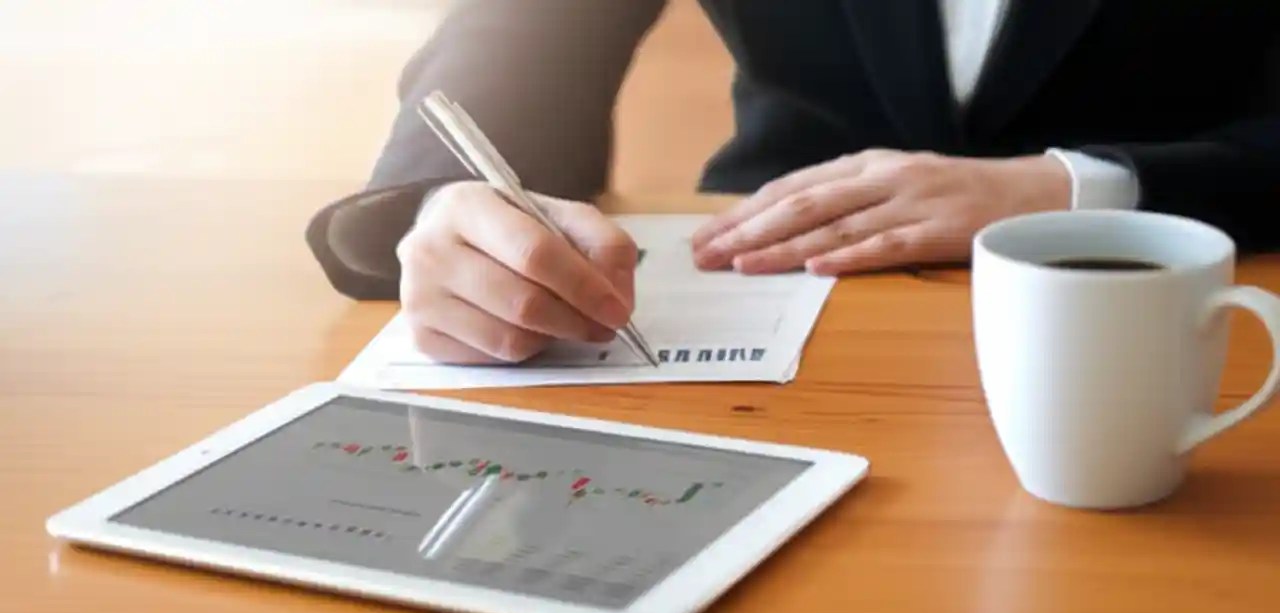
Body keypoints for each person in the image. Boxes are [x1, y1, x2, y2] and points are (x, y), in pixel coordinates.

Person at [305, 0, 1280, 365]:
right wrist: (447, 201)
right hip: (759, 284)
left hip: (1174, 314)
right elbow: (521, 31)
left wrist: (1077, 187)